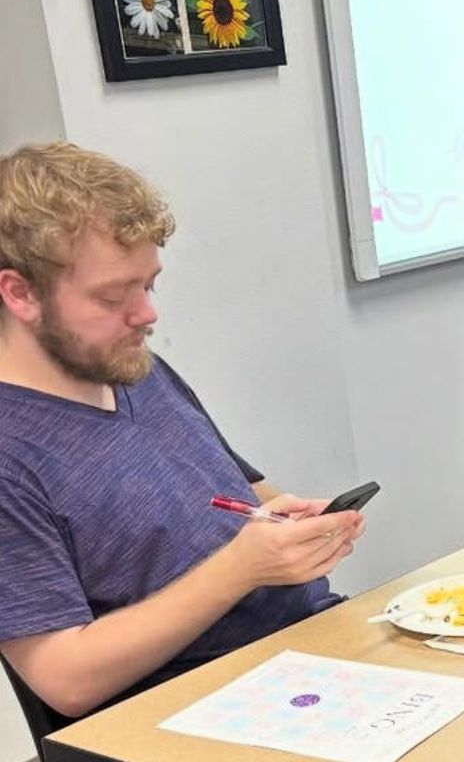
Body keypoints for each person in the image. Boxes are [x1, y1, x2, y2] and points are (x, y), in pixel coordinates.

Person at [0, 142, 365, 720]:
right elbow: (65, 679)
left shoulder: (129, 366)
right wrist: (242, 568)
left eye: (149, 285)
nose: (146, 314)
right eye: (113, 296)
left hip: (303, 651)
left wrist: (291, 522)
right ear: (19, 294)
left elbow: (246, 496)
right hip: (196, 716)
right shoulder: (12, 452)